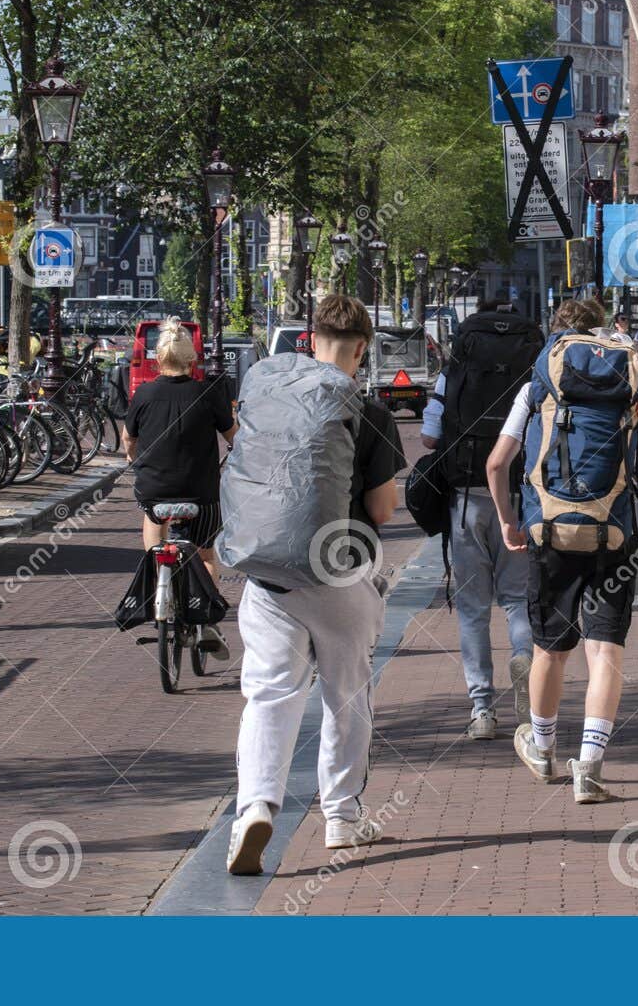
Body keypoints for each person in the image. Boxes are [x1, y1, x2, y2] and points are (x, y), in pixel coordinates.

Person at [226, 295, 405, 874]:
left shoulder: (269, 391)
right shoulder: (367, 408)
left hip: (268, 575)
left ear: (310, 339)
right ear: (360, 348)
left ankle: (255, 806)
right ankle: (341, 817)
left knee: (269, 695)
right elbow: (381, 509)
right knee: (346, 696)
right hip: (340, 572)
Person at [485, 298, 638, 803]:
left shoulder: (539, 383)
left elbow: (496, 462)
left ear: (557, 336)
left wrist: (511, 522)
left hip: (550, 531)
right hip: (615, 534)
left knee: (549, 650)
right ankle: (590, 765)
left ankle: (545, 750)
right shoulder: (632, 384)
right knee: (605, 653)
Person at [423, 297, 543, 741]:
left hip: (467, 494)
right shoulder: (534, 370)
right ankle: (524, 666)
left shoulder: (454, 370)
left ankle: (481, 710)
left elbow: (430, 436)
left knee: (473, 609)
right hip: (519, 493)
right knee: (516, 598)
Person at [122, 318, 235, 658]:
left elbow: (129, 439)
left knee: (154, 542)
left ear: (158, 360)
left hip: (154, 493)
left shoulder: (144, 393)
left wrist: (133, 459)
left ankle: (160, 583)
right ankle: (207, 624)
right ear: (191, 361)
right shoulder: (209, 393)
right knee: (206, 556)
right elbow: (235, 438)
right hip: (201, 493)